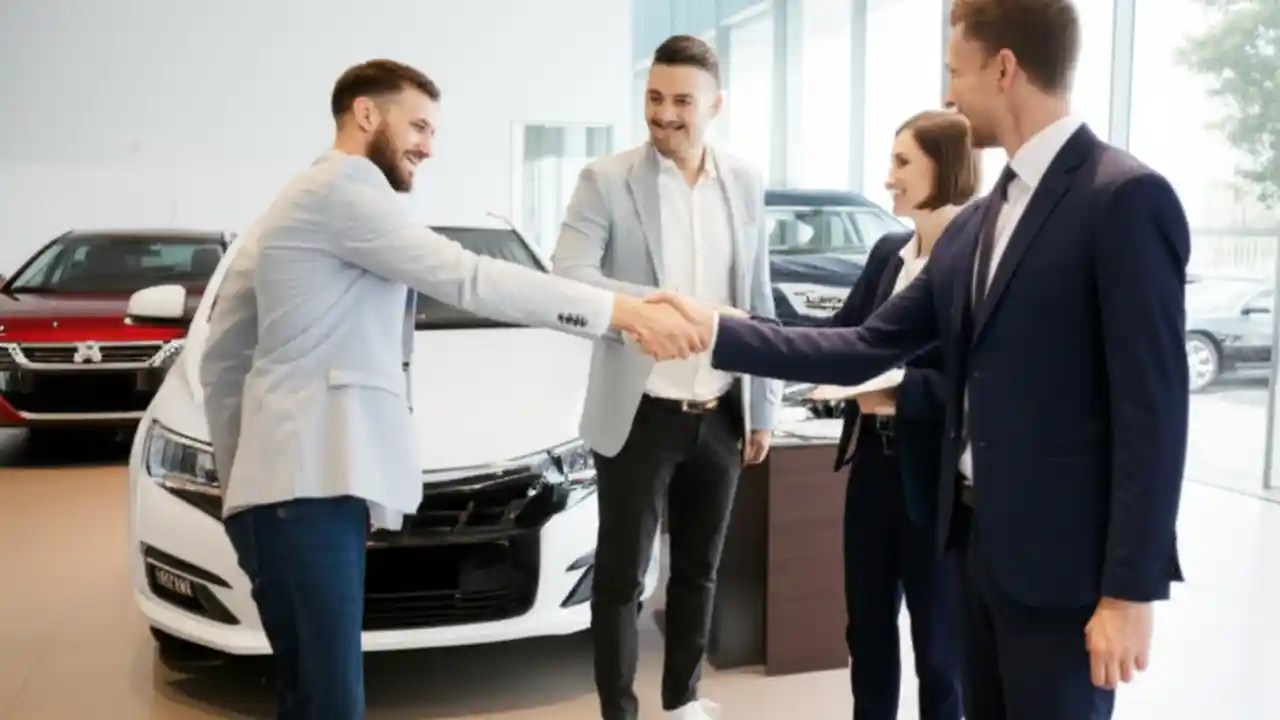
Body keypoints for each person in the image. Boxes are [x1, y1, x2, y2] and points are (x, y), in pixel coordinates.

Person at [657, 2, 1191, 718]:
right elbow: (864, 345)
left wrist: (1130, 593)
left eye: (955, 72)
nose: (947, 95)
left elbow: (1153, 411)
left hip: (1065, 579)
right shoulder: (981, 218)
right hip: (971, 549)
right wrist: (718, 329)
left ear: (1004, 68)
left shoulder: (1123, 198)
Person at [198, 59, 704, 719]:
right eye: (420, 126)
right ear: (366, 115)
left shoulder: (301, 196)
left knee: (310, 694)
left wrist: (244, 490)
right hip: (306, 487)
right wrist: (623, 314)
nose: (429, 146)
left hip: (292, 490)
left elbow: (225, 353)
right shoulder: (344, 192)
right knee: (330, 702)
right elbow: (470, 278)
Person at [551, 34, 780, 720]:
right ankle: (618, 712)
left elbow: (758, 295)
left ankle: (682, 700)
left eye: (682, 100)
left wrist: (761, 407)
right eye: (654, 97)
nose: (665, 114)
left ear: (716, 105)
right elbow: (569, 275)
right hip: (639, 410)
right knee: (621, 579)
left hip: (719, 412)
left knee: (698, 573)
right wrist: (650, 310)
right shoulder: (606, 179)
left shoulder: (743, 180)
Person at [821, 109, 973, 720]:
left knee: (938, 650)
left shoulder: (975, 259)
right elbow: (843, 337)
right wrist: (752, 328)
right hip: (873, 472)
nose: (889, 177)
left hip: (936, 482)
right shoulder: (889, 252)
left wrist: (901, 392)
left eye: (903, 161)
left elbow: (978, 379)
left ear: (946, 166)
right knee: (868, 634)